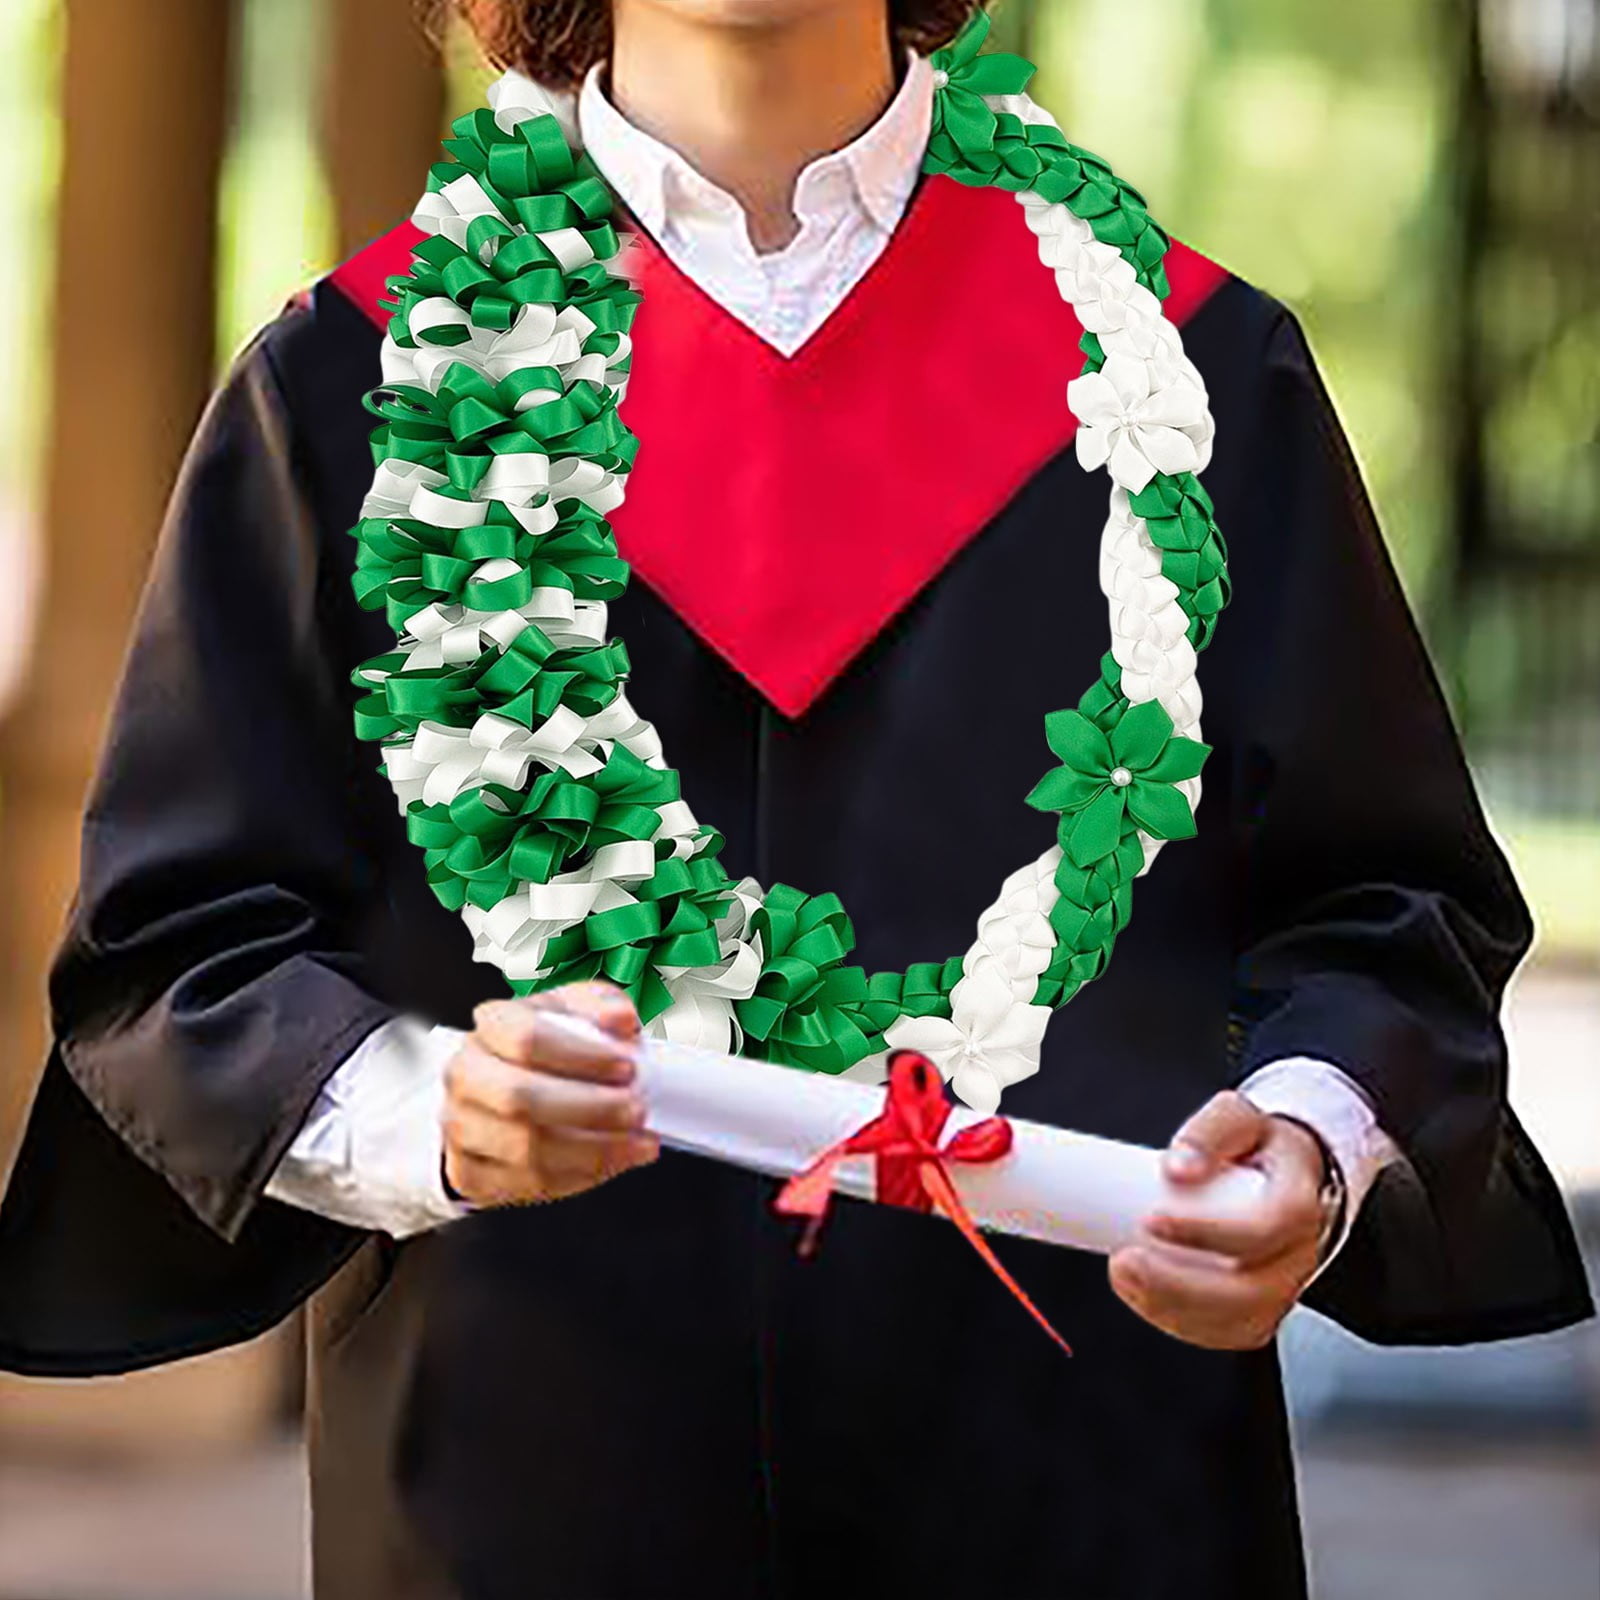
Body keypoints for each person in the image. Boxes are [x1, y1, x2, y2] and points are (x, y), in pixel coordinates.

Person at [0, 2, 1591, 1596]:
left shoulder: (1180, 375)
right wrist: (431, 1112)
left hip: (1092, 1483)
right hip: (531, 1490)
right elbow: (178, 953)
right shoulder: (357, 389)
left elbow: (1385, 909)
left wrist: (1308, 1147)